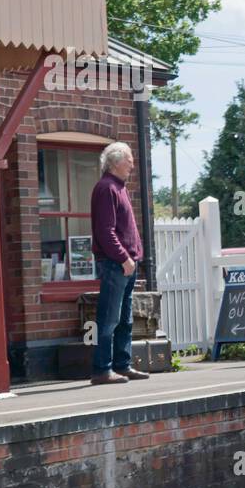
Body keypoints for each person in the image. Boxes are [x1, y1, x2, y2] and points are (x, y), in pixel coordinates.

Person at [89, 142, 149, 384]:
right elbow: (105, 231)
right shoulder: (106, 188)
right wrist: (124, 258)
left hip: (127, 264)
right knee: (109, 318)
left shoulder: (118, 188)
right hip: (117, 264)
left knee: (125, 319)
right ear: (115, 162)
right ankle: (102, 369)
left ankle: (122, 365)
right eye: (129, 160)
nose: (133, 165)